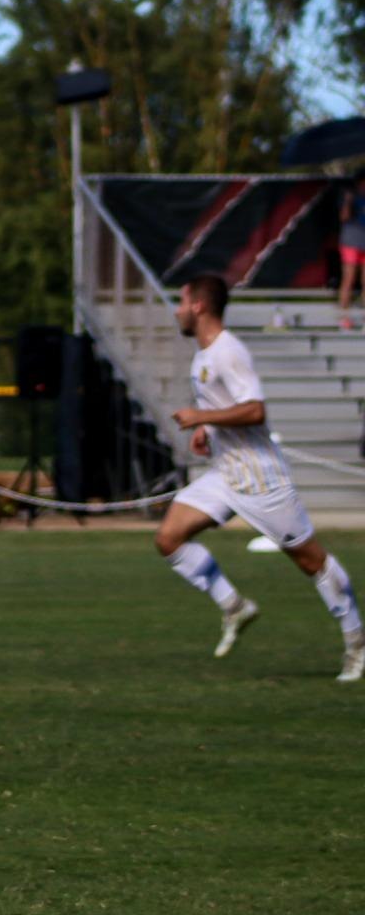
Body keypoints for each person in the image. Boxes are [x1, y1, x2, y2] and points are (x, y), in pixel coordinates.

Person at [155, 273, 363, 681]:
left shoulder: (228, 351)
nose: (177, 311)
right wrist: (207, 429)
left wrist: (201, 416)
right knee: (169, 538)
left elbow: (255, 410)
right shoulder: (203, 356)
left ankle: (357, 641)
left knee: (311, 561)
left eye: (181, 302)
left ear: (198, 306)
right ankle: (234, 606)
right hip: (226, 474)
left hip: (260, 478)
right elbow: (229, 407)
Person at [339, 173, 365, 331]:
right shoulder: (351, 198)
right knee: (348, 279)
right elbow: (344, 217)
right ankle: (344, 318)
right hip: (351, 242)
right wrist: (348, 201)